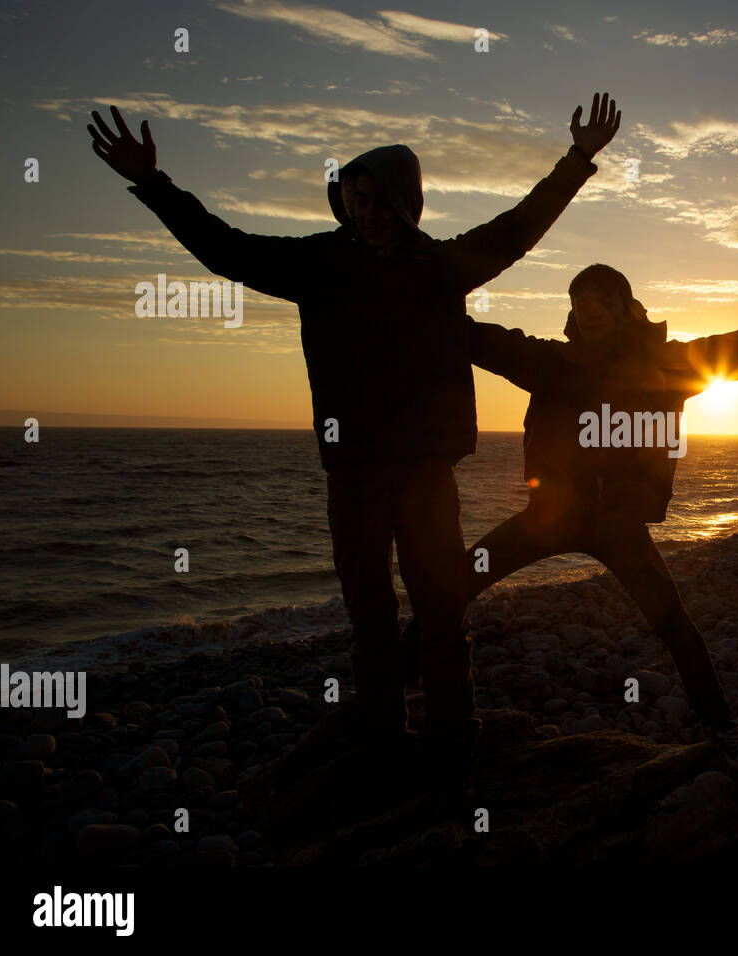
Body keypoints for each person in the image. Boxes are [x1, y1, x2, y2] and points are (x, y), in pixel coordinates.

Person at [87, 97, 621, 780]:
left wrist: (579, 159)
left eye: (382, 199)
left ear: (408, 202)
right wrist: (153, 183)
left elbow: (518, 229)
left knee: (439, 609)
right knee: (368, 612)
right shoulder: (321, 266)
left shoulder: (441, 268)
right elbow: (227, 248)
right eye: (356, 197)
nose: (368, 210)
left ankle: (454, 736)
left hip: (427, 474)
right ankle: (382, 734)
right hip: (354, 474)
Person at [418, 264, 738, 771]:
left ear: (626, 308)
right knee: (453, 589)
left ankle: (724, 729)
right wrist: (420, 308)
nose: (593, 311)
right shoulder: (551, 361)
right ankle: (390, 701)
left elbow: (731, 351)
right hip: (548, 517)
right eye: (583, 302)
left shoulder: (662, 365)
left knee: (674, 625)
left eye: (605, 301)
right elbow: (487, 341)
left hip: (619, 525)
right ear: (572, 311)